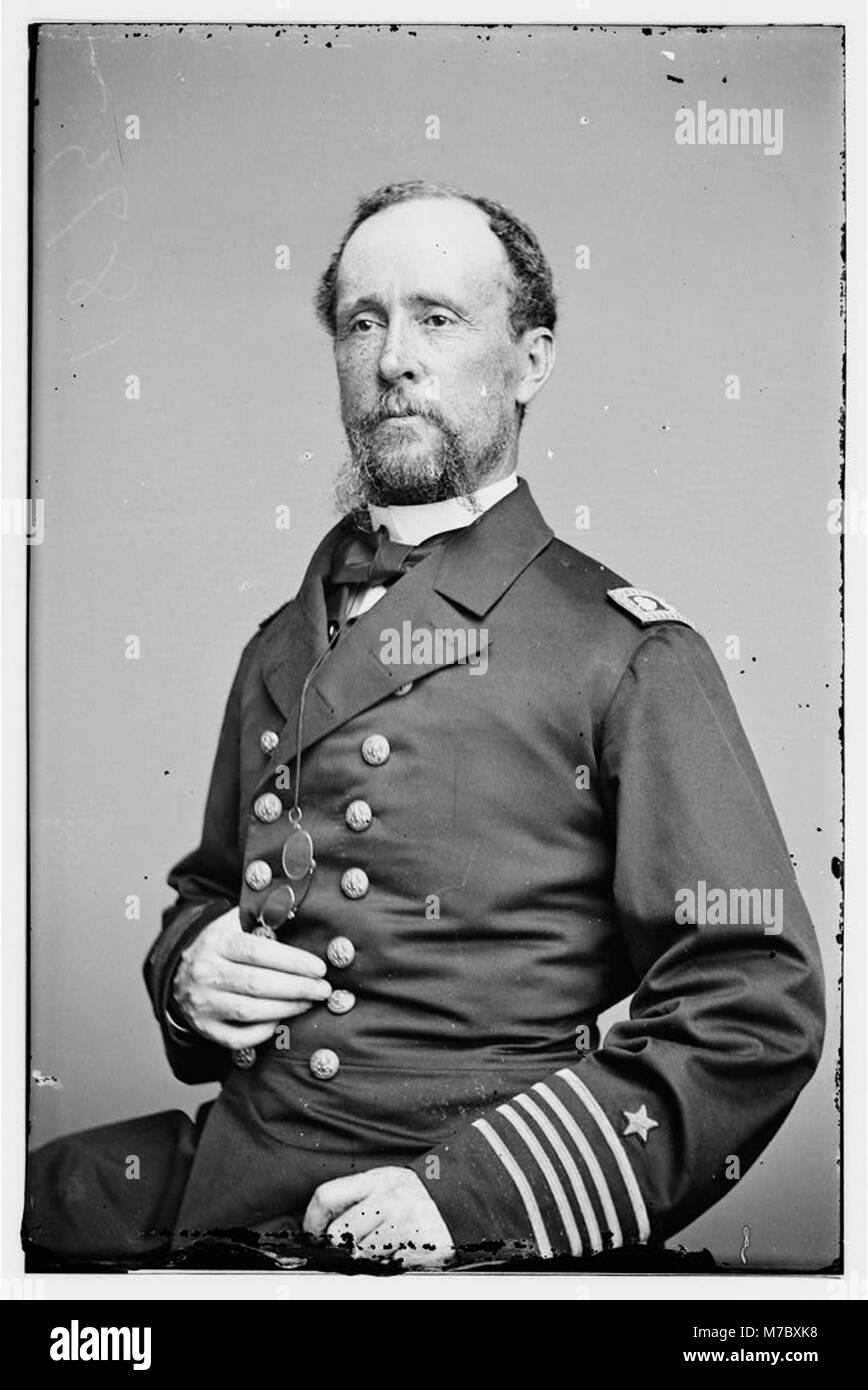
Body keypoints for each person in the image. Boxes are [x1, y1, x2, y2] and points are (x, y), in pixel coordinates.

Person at [26, 180, 825, 1272]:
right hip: (246, 1152)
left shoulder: (627, 651)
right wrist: (189, 969)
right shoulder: (280, 641)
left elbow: (753, 998)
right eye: (363, 320)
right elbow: (210, 886)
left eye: (437, 318)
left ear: (530, 360)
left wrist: (472, 1198)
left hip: (449, 1181)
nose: (393, 355)